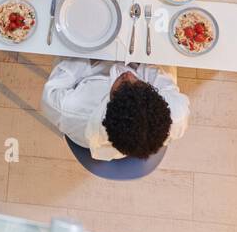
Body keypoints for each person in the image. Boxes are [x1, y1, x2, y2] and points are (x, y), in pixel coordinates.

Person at [41, 60, 188, 161]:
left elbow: (55, 86)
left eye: (121, 87)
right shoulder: (176, 113)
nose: (128, 76)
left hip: (90, 64)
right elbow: (158, 72)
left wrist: (88, 55)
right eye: (139, 84)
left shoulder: (69, 108)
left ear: (108, 108)